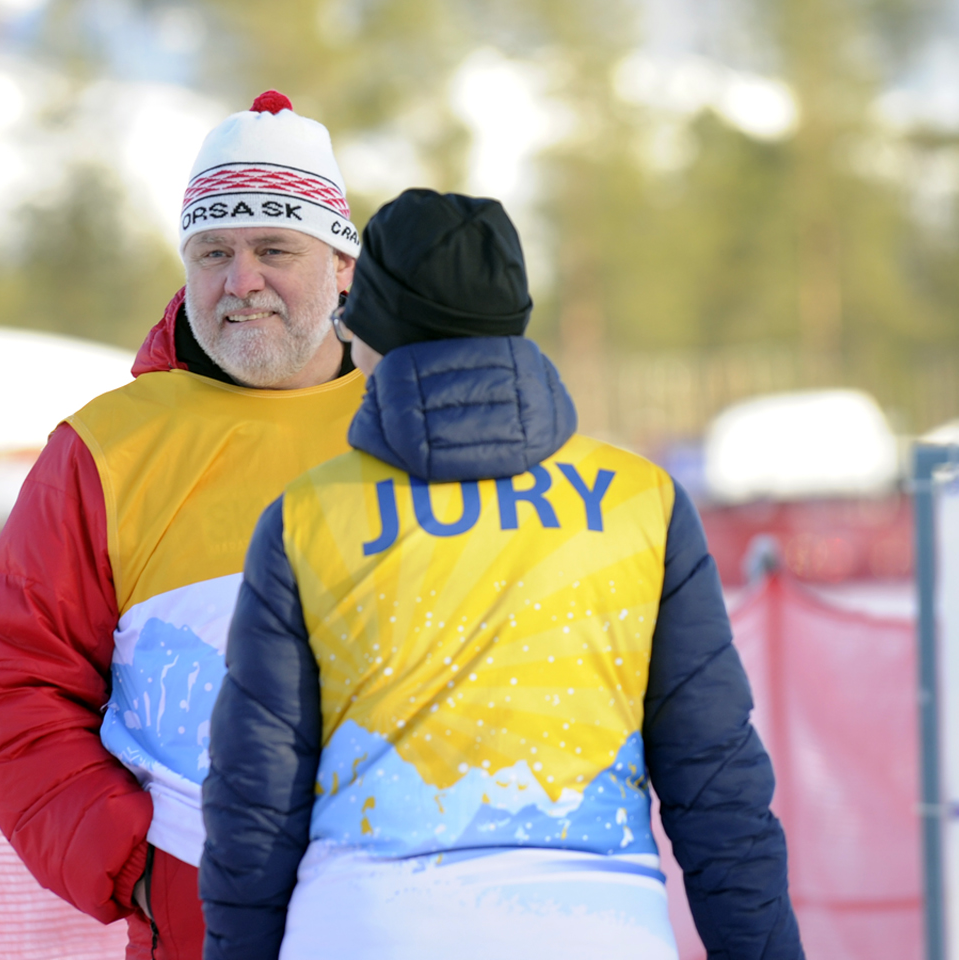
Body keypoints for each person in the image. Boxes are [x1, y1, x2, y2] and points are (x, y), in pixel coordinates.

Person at [200, 189, 803, 960]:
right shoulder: (640, 502)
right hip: (596, 927)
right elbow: (717, 783)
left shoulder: (307, 516)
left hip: (367, 925)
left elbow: (255, 795)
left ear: (376, 329)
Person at [0, 90, 367, 960]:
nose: (241, 280)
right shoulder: (106, 449)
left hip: (419, 911)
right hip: (203, 924)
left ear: (342, 265)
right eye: (213, 252)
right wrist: (141, 869)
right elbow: (16, 683)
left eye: (273, 248)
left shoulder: (420, 422)